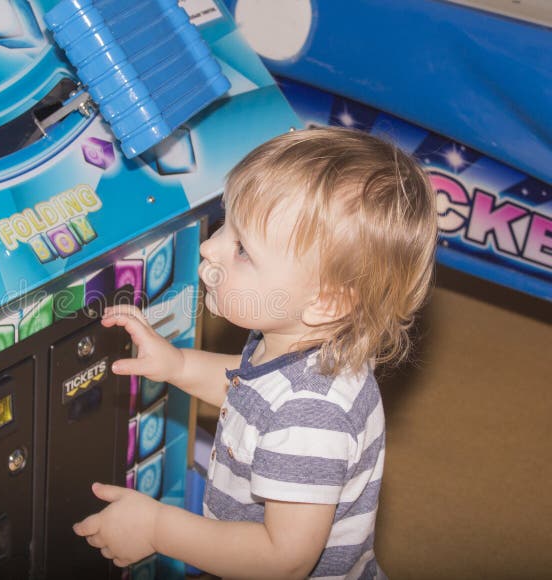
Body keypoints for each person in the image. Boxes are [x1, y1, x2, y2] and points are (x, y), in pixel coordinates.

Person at [73, 127, 438, 579]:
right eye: (227, 224)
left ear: (326, 302)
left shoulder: (311, 417)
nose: (209, 246)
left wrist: (157, 527)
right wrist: (178, 364)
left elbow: (282, 558)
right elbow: (250, 392)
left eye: (242, 249)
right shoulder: (297, 344)